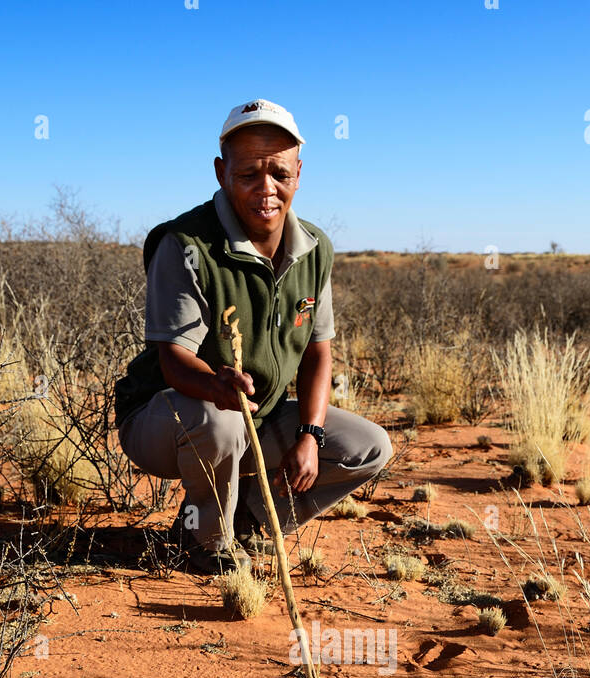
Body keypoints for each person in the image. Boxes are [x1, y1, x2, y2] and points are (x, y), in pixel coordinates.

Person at [115, 98, 393, 573]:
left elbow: (317, 353)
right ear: (222, 173)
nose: (266, 188)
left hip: (254, 418)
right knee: (218, 420)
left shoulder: (315, 248)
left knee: (369, 447)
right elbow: (173, 360)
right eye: (248, 175)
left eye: (279, 174)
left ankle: (245, 517)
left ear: (299, 173)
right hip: (165, 418)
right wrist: (215, 385)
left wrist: (309, 434)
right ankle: (205, 541)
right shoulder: (184, 244)